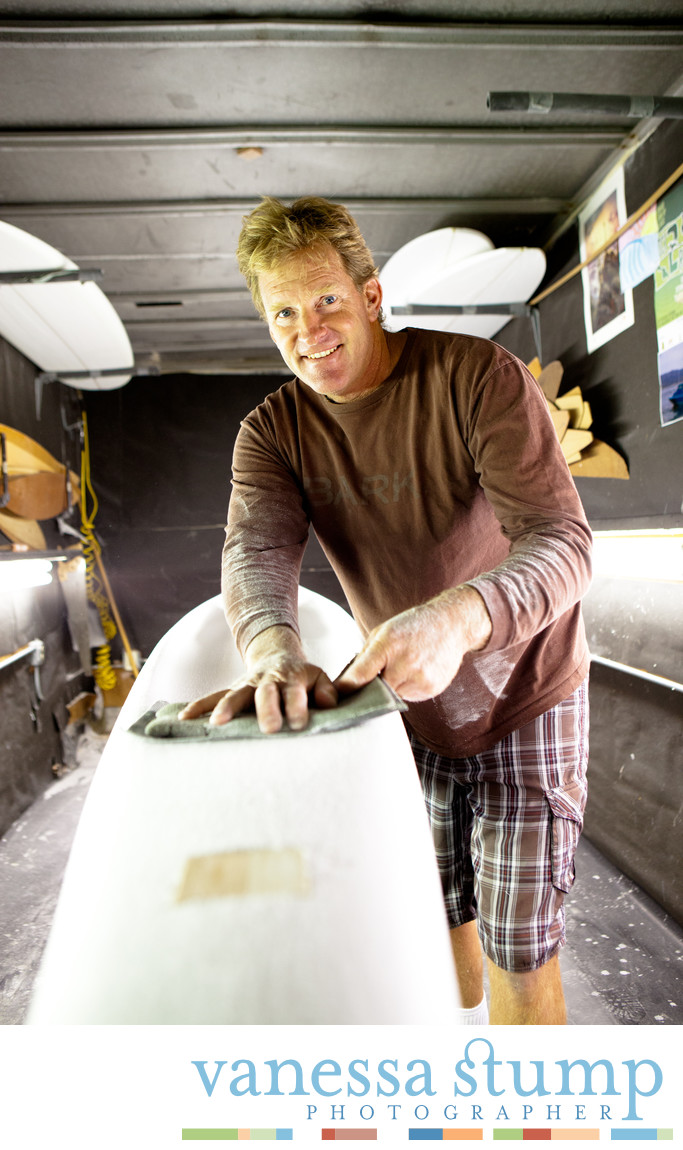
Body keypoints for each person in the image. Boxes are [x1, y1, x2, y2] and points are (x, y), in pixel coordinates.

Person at [181, 196, 592, 1026]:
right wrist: (270, 651)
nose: (309, 330)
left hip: (526, 693)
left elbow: (562, 543)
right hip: (408, 706)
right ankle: (450, 1079)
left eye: (327, 300)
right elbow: (256, 552)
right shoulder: (272, 432)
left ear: (371, 296)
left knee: (517, 944)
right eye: (284, 313)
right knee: (434, 920)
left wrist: (457, 617)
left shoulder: (476, 377)